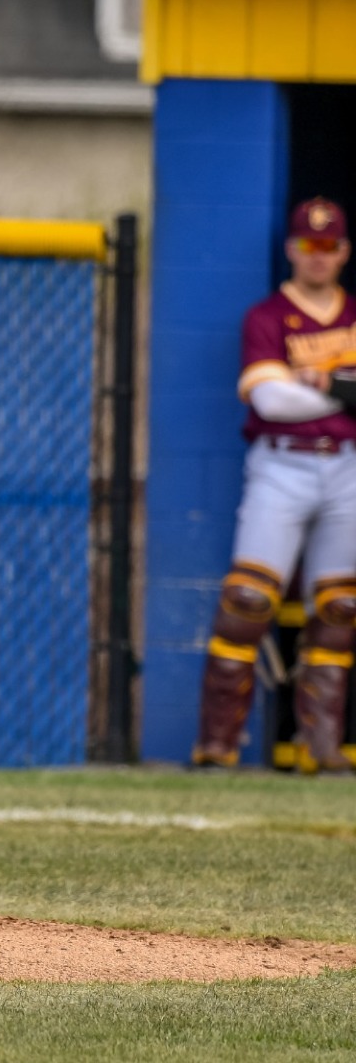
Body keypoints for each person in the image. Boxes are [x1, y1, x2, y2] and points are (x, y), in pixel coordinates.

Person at [193, 196, 356, 774]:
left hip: (347, 466)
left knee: (339, 607)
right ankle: (216, 746)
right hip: (281, 463)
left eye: (330, 245)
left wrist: (314, 380)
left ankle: (322, 748)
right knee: (248, 600)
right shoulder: (267, 317)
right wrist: (343, 388)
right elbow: (270, 398)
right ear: (292, 249)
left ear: (345, 251)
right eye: (309, 245)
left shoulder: (354, 312)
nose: (319, 255)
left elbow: (296, 392)